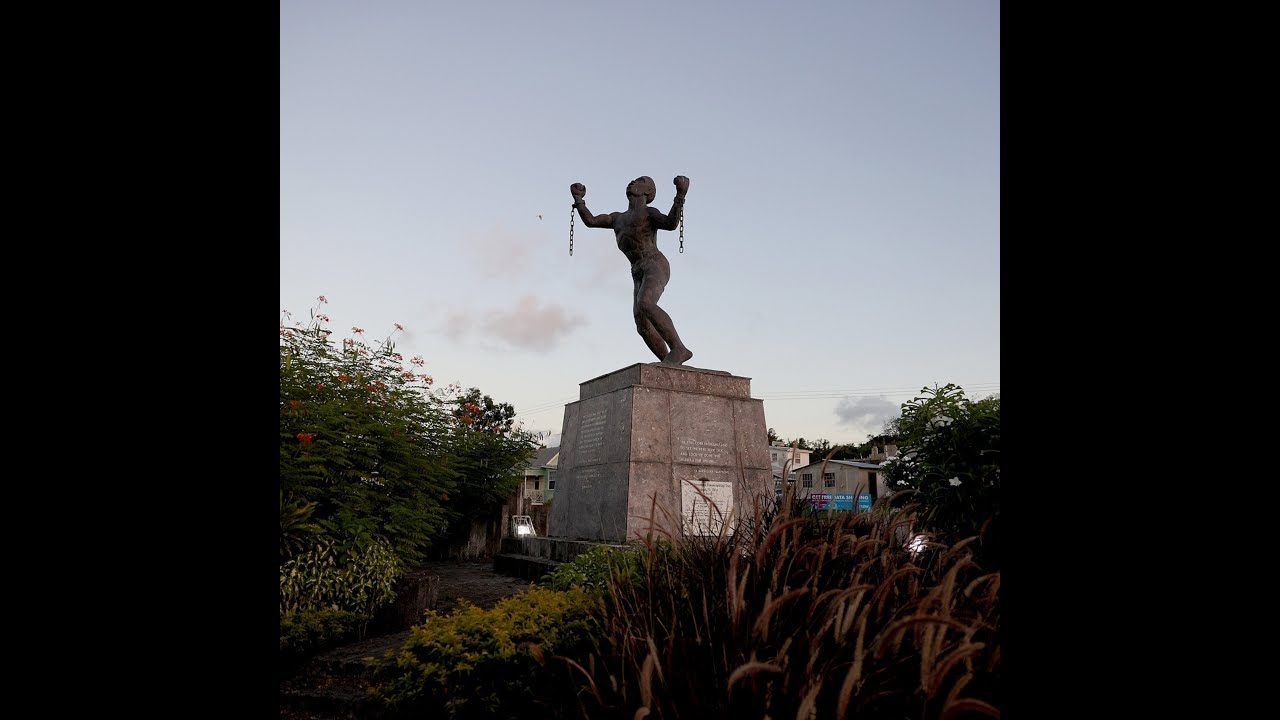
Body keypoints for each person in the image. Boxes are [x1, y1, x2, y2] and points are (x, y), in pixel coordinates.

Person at [570, 175, 694, 365]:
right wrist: (579, 200)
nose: (632, 182)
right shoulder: (617, 218)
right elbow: (592, 221)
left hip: (654, 264)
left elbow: (670, 223)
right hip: (636, 270)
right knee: (642, 325)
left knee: (645, 302)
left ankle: (679, 348)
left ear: (648, 191)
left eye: (640, 181)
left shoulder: (649, 213)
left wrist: (680, 194)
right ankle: (669, 365)